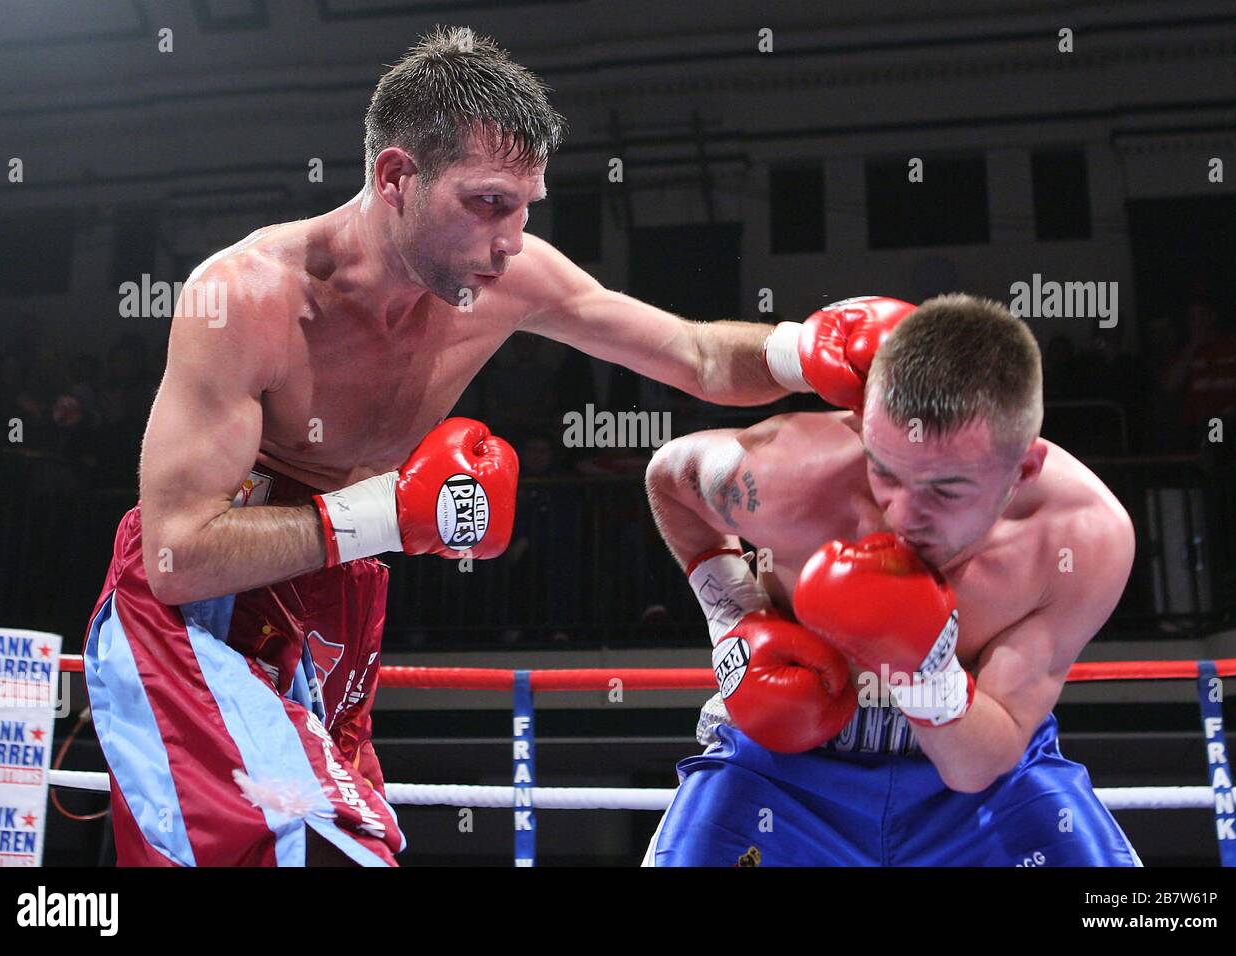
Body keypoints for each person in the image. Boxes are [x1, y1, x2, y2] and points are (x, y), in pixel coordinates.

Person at [81, 26, 841, 867]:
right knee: (325, 849)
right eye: (486, 203)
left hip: (341, 599)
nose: (511, 239)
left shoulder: (509, 279)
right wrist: (391, 513)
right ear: (397, 177)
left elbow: (696, 355)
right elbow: (177, 555)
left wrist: (806, 352)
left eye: (524, 208)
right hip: (202, 620)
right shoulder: (248, 296)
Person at [642, 294, 1141, 866]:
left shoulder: (1079, 539)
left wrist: (917, 664)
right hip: (780, 763)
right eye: (885, 470)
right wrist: (735, 616)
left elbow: (976, 765)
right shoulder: (789, 475)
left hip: (980, 779)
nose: (902, 514)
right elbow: (669, 478)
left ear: (1022, 470)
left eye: (944, 489)